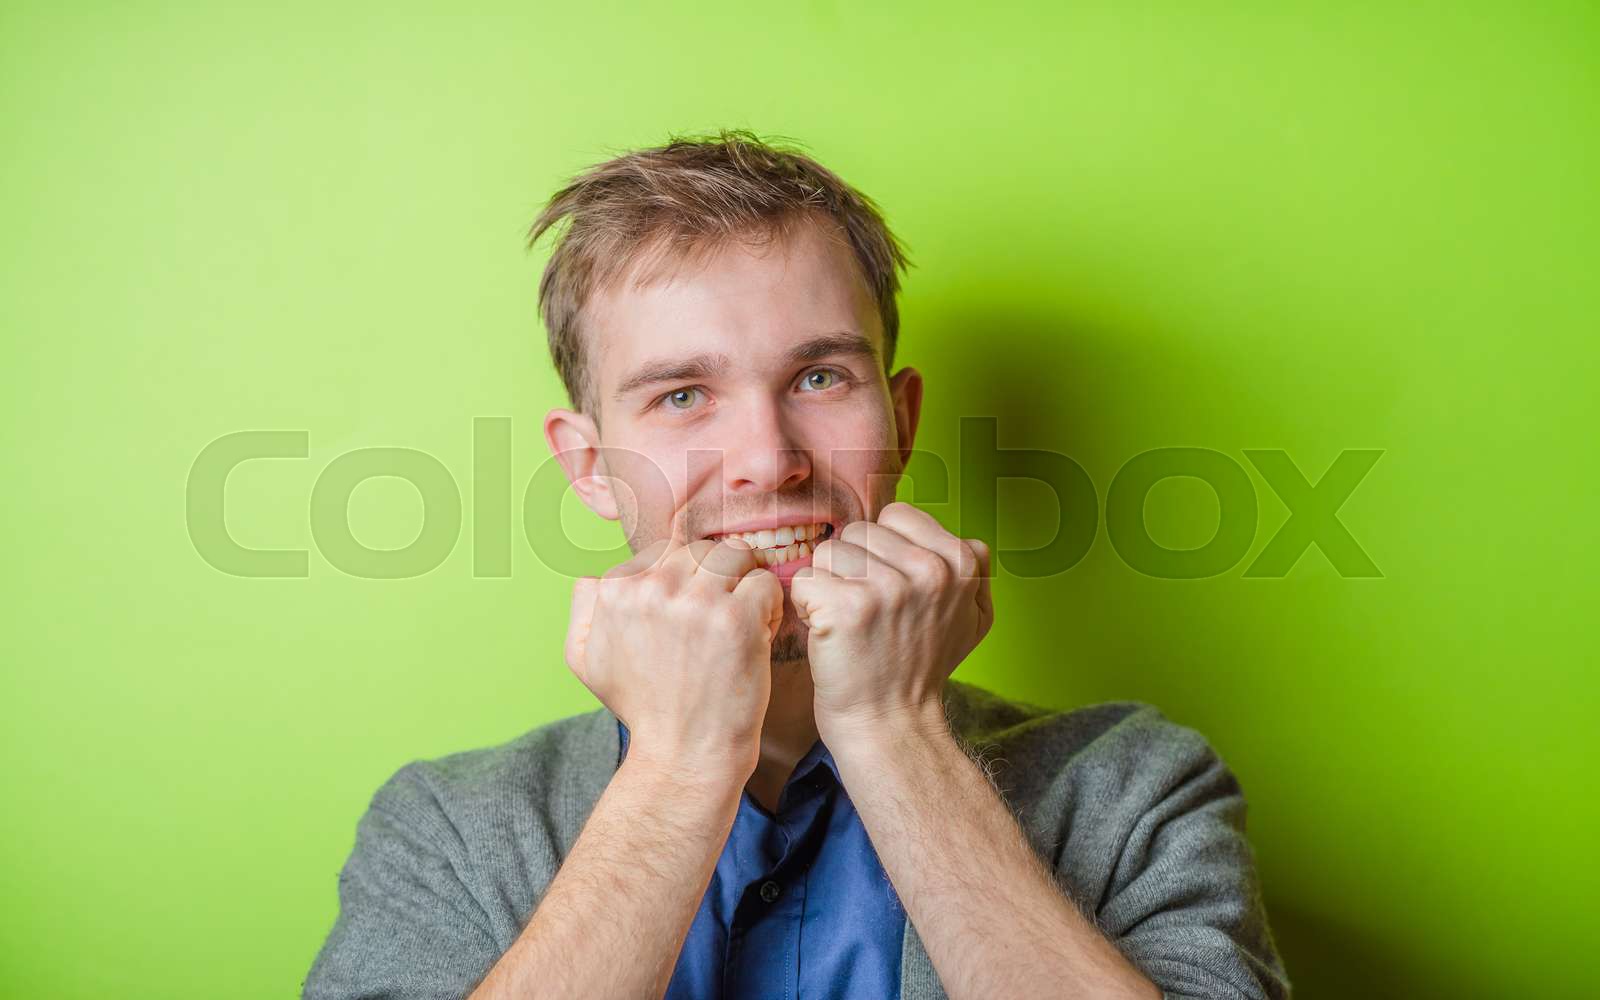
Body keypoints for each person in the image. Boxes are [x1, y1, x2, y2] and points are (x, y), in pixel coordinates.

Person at [303, 129, 1290, 1000]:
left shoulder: (1132, 787)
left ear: (898, 421)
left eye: (819, 377)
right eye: (683, 395)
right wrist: (679, 768)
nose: (771, 460)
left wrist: (890, 726)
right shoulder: (447, 829)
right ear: (591, 465)